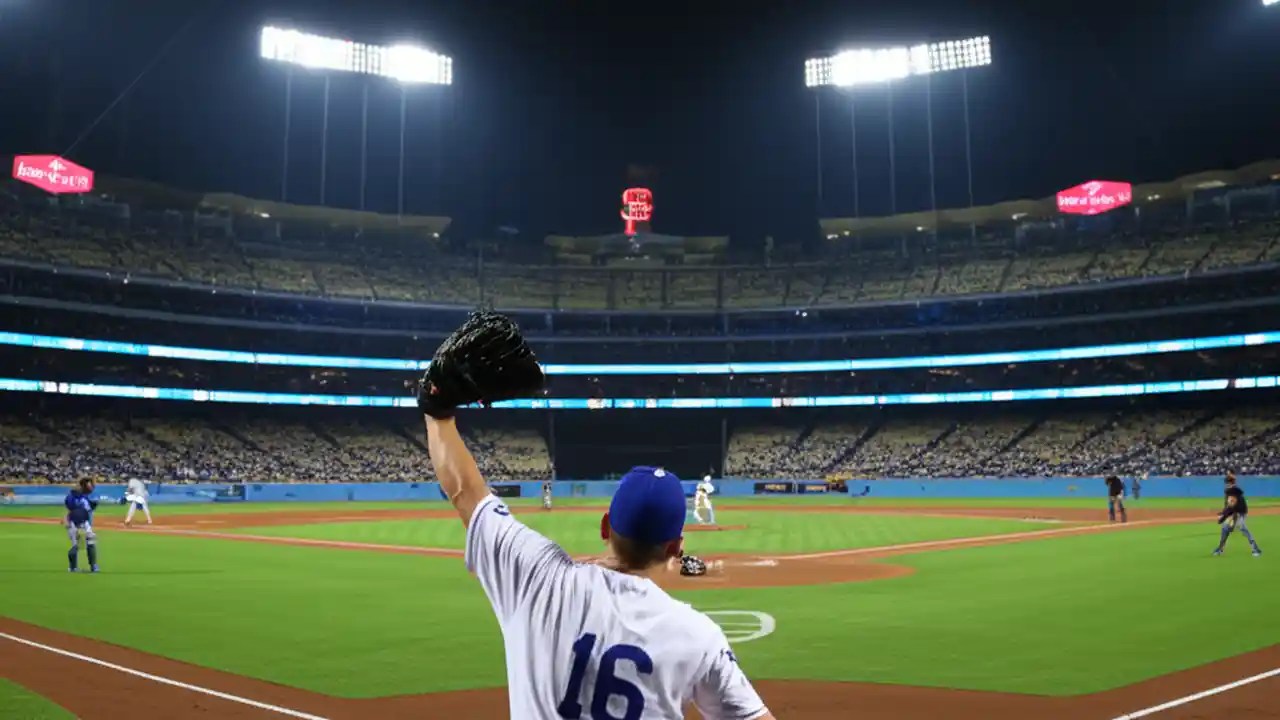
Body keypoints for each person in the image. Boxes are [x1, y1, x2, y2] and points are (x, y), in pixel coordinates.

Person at [423, 415, 772, 719]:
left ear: (605, 527)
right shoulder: (700, 636)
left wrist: (438, 413)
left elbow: (465, 490)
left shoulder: (537, 578)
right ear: (675, 548)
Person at [1214, 472, 1262, 557]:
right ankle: (1220, 548)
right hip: (1234, 513)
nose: (1226, 484)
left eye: (1227, 483)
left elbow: (1232, 506)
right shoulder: (1230, 491)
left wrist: (1223, 517)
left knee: (1242, 527)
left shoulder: (1233, 491)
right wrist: (1223, 513)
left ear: (1229, 483)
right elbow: (1229, 506)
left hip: (1240, 513)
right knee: (1225, 528)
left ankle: (1255, 548)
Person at [64, 478, 99, 573]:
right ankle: (90, 566)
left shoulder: (76, 497)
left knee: (79, 544)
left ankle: (76, 567)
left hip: (77, 522)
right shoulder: (78, 498)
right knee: (81, 544)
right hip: (77, 522)